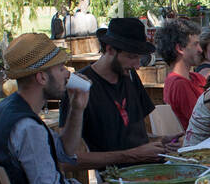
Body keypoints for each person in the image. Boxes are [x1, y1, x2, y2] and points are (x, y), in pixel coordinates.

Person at [0, 33, 88, 184]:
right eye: (61, 68)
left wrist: (77, 109)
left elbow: (65, 152)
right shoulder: (28, 127)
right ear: (42, 78)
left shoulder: (8, 107)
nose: (67, 74)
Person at [60, 17, 166, 168]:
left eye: (140, 58)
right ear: (109, 49)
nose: (137, 66)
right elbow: (67, 160)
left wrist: (161, 141)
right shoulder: (80, 88)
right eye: (131, 57)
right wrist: (132, 156)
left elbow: (135, 136)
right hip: (117, 182)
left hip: (150, 170)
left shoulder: (130, 76)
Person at [156, 19, 205, 130]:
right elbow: (203, 123)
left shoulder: (196, 78)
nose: (200, 50)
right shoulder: (179, 84)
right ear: (180, 48)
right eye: (195, 44)